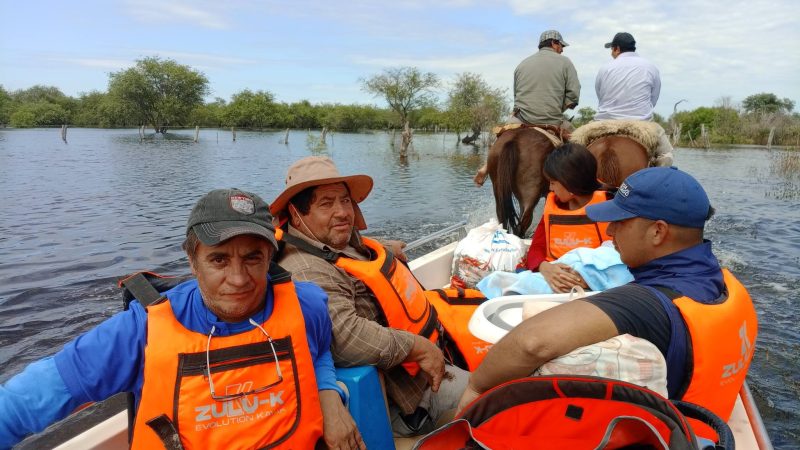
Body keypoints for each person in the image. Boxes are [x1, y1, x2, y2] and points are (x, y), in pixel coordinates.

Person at [0, 188, 365, 450]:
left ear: (270, 257)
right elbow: (21, 405)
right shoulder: (139, 330)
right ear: (192, 261)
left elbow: (315, 351)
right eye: (219, 260)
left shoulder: (308, 304)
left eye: (253, 258)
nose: (238, 280)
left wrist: (328, 393)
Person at [458, 167, 758, 432]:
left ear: (658, 231)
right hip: (703, 425)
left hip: (665, 433)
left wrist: (476, 387)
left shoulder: (646, 303)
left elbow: (532, 342)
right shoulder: (718, 280)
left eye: (621, 222)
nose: (610, 231)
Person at [271, 156, 469, 437]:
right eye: (326, 203)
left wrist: (386, 249)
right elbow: (347, 338)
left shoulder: (332, 241)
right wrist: (419, 347)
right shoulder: (305, 269)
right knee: (497, 396)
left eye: (345, 200)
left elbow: (358, 257)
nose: (342, 212)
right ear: (295, 214)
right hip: (409, 398)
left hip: (428, 360)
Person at [474, 29, 581, 185]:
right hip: (550, 118)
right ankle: (574, 185)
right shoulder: (565, 62)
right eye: (561, 46)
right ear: (554, 43)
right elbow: (573, 97)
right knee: (580, 143)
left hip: (519, 118)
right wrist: (558, 108)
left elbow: (517, 97)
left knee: (501, 138)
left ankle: (486, 167)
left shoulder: (522, 64)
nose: (562, 50)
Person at [524, 143, 614, 292]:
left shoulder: (611, 205)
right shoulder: (553, 207)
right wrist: (545, 267)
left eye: (553, 183)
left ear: (569, 182)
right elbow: (536, 248)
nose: (550, 189)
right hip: (556, 279)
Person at [595, 31, 673, 165]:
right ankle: (656, 183)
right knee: (666, 155)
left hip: (605, 123)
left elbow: (600, 96)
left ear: (617, 48)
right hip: (641, 123)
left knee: (579, 148)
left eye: (612, 49)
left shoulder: (605, 68)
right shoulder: (651, 67)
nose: (611, 53)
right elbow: (653, 100)